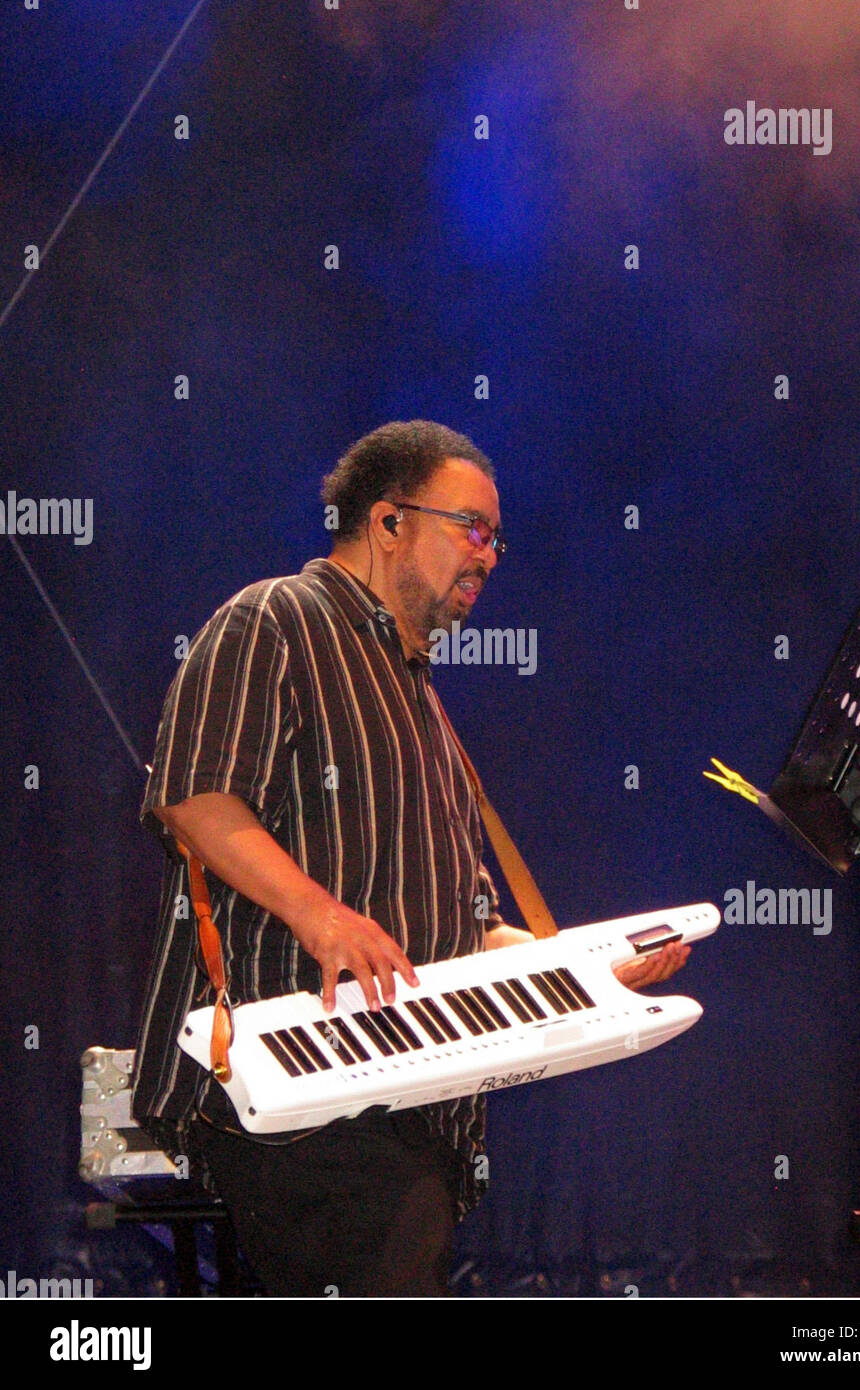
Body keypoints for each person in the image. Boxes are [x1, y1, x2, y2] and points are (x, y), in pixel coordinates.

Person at [131, 419, 689, 1296]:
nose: (488, 555)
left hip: (403, 1100)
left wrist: (590, 966)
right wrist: (324, 915)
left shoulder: (420, 697)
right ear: (388, 521)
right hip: (311, 1084)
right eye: (469, 528)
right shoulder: (277, 618)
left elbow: (463, 933)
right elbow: (193, 797)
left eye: (494, 537)